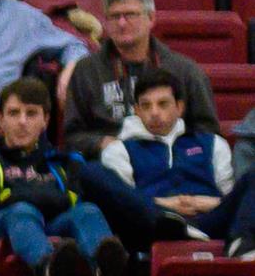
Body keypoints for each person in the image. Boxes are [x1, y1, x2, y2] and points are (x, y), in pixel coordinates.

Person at [0, 77, 127, 276]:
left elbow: (74, 199)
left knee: (88, 211)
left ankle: (106, 274)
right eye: (14, 113)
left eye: (31, 113)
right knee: (22, 210)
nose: (22, 121)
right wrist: (21, 198)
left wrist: (17, 193)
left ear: (45, 120)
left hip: (52, 224)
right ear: (2, 120)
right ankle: (49, 269)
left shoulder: (66, 160)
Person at [62, 0, 223, 160]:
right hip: (109, 167)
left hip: (171, 166)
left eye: (130, 15)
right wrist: (103, 143)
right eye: (114, 16)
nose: (122, 23)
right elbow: (71, 137)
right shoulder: (86, 70)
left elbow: (208, 132)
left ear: (151, 18)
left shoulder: (185, 71)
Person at [97, 68, 235, 238]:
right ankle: (179, 229)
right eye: (146, 106)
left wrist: (203, 203)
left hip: (211, 221)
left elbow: (233, 198)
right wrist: (166, 204)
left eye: (163, 104)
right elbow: (126, 203)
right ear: (137, 111)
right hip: (155, 225)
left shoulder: (213, 143)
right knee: (92, 172)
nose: (154, 113)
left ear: (179, 107)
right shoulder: (119, 150)